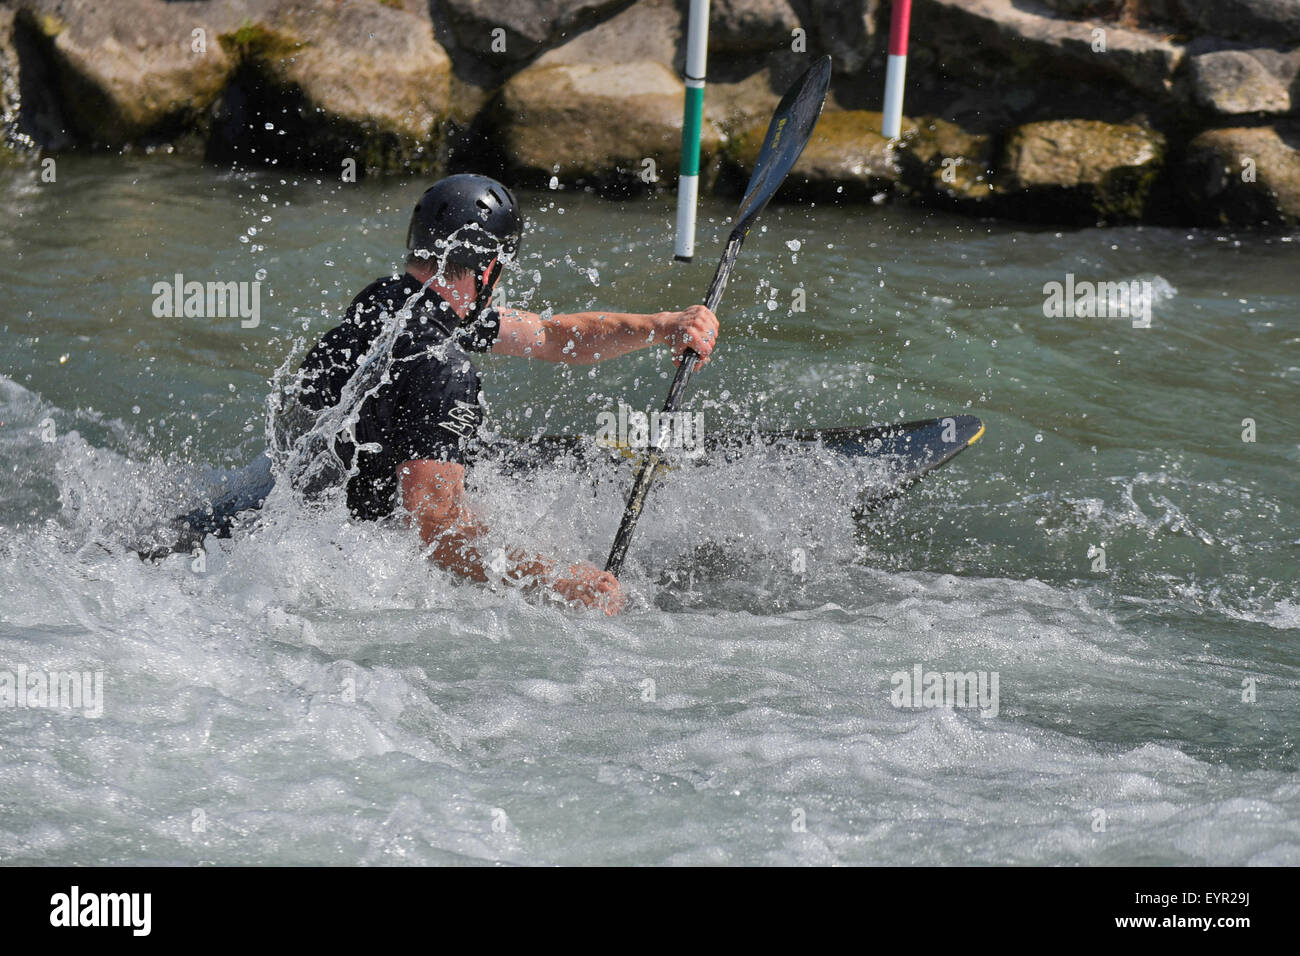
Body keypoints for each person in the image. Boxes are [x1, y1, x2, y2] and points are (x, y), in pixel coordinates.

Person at [292, 174, 719, 615]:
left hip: (302, 530)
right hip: (350, 577)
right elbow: (436, 529)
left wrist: (661, 326)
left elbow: (552, 336)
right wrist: (557, 579)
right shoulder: (444, 369)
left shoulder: (385, 300)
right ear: (490, 267)